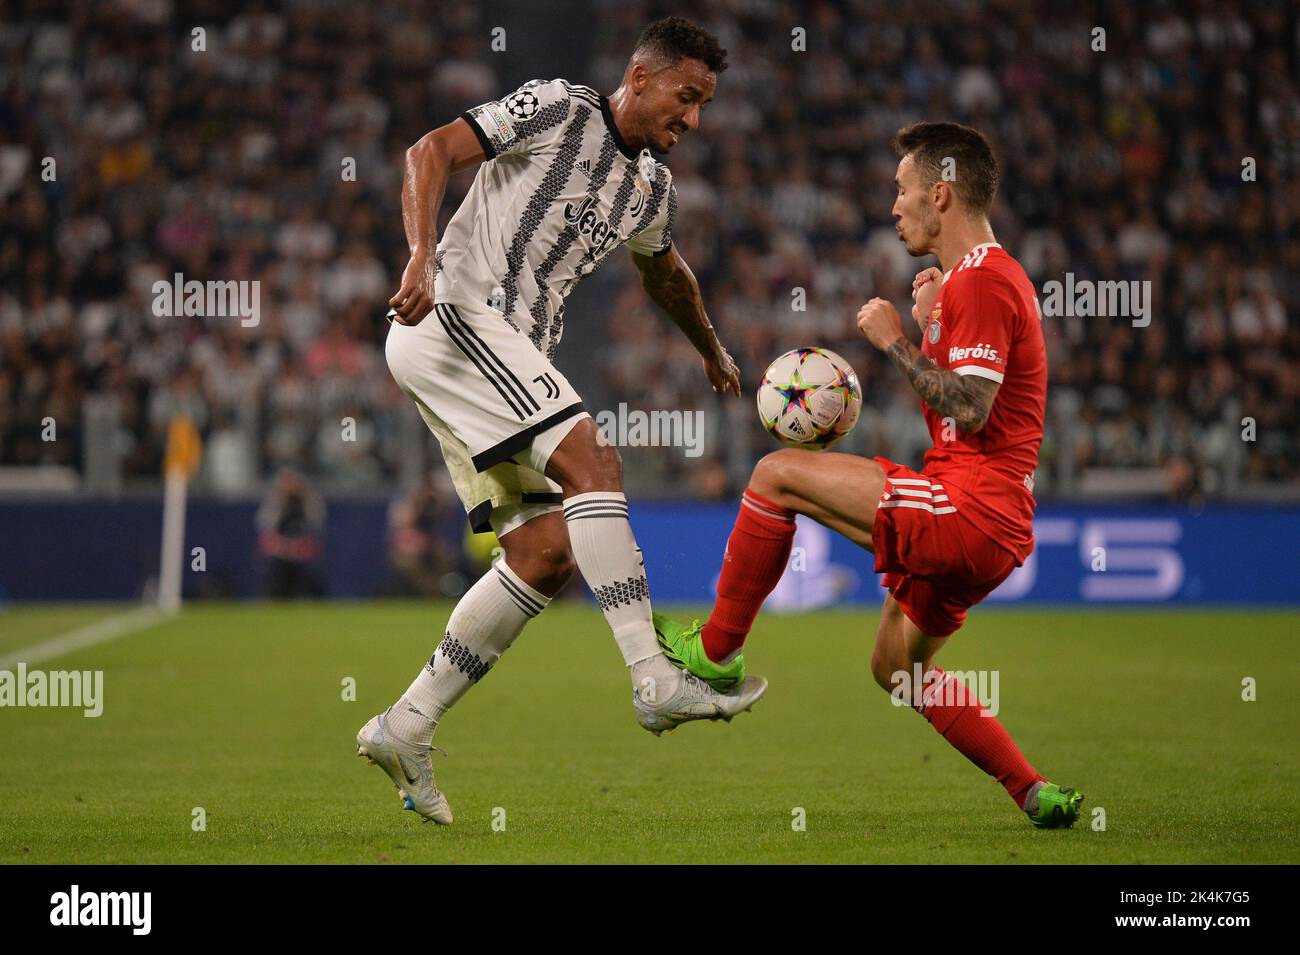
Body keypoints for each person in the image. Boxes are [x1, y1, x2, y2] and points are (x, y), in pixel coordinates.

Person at [357, 17, 767, 826]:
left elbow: (666, 273)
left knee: (548, 552)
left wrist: (712, 349)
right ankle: (653, 676)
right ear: (640, 78)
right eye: (686, 98)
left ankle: (405, 725)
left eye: (705, 106)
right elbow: (427, 152)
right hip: (454, 316)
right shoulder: (556, 108)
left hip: (495, 353)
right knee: (598, 466)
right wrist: (417, 255)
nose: (693, 120)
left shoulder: (651, 189)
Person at [655, 122, 1084, 829]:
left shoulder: (983, 278)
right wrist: (929, 327)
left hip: (969, 507)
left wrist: (893, 342)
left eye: (903, 190)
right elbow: (977, 399)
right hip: (994, 526)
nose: (894, 206)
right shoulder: (970, 284)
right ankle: (1033, 790)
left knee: (774, 475)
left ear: (939, 194)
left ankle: (717, 652)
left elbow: (971, 410)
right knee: (896, 668)